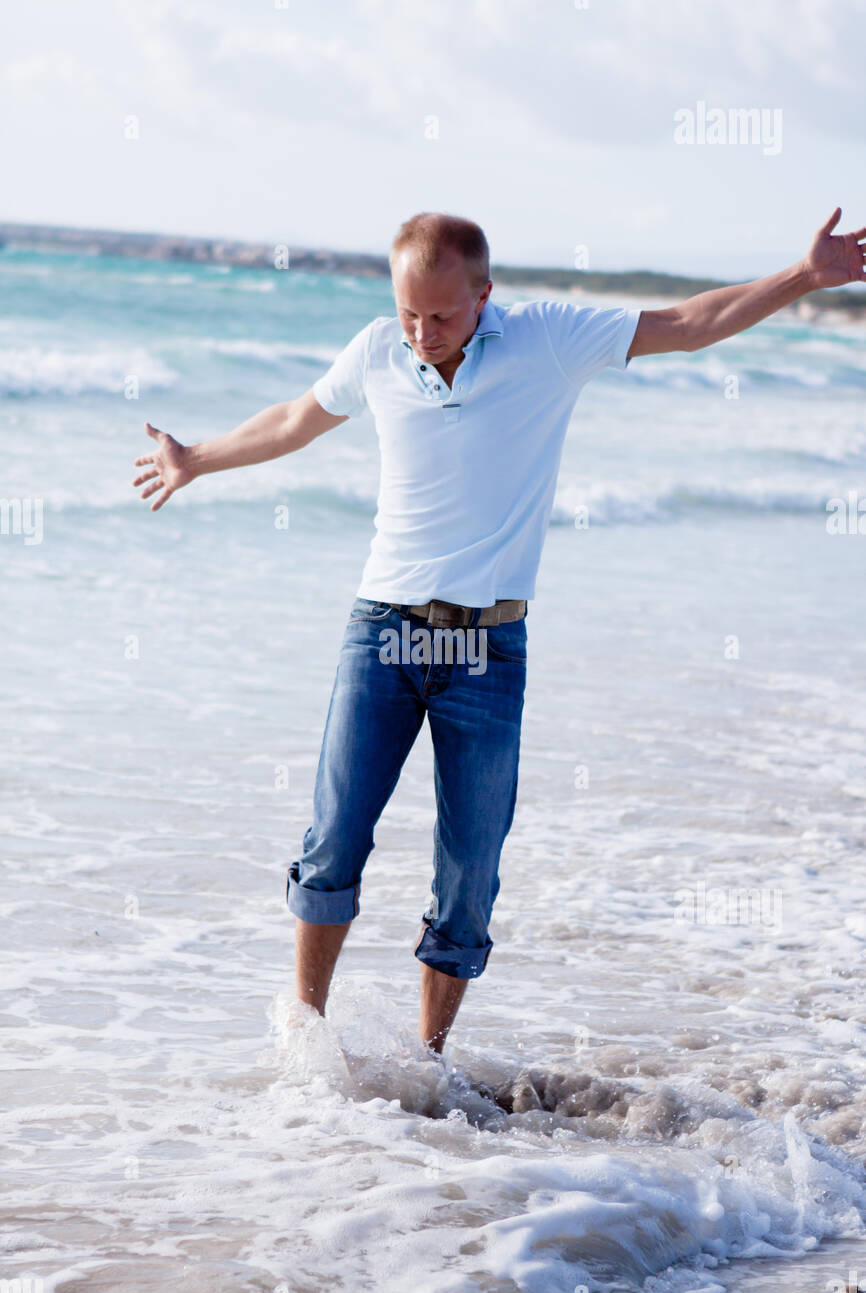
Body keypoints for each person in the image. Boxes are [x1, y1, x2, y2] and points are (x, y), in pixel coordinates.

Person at [133, 208, 865, 1053]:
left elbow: (686, 325)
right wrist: (197, 459)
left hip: (486, 649)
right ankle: (306, 1043)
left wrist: (803, 276)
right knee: (333, 838)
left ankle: (427, 1064)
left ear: (485, 294)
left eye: (442, 314)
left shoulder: (547, 341)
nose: (423, 332)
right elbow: (296, 418)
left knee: (470, 870)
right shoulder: (379, 348)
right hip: (383, 636)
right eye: (410, 312)